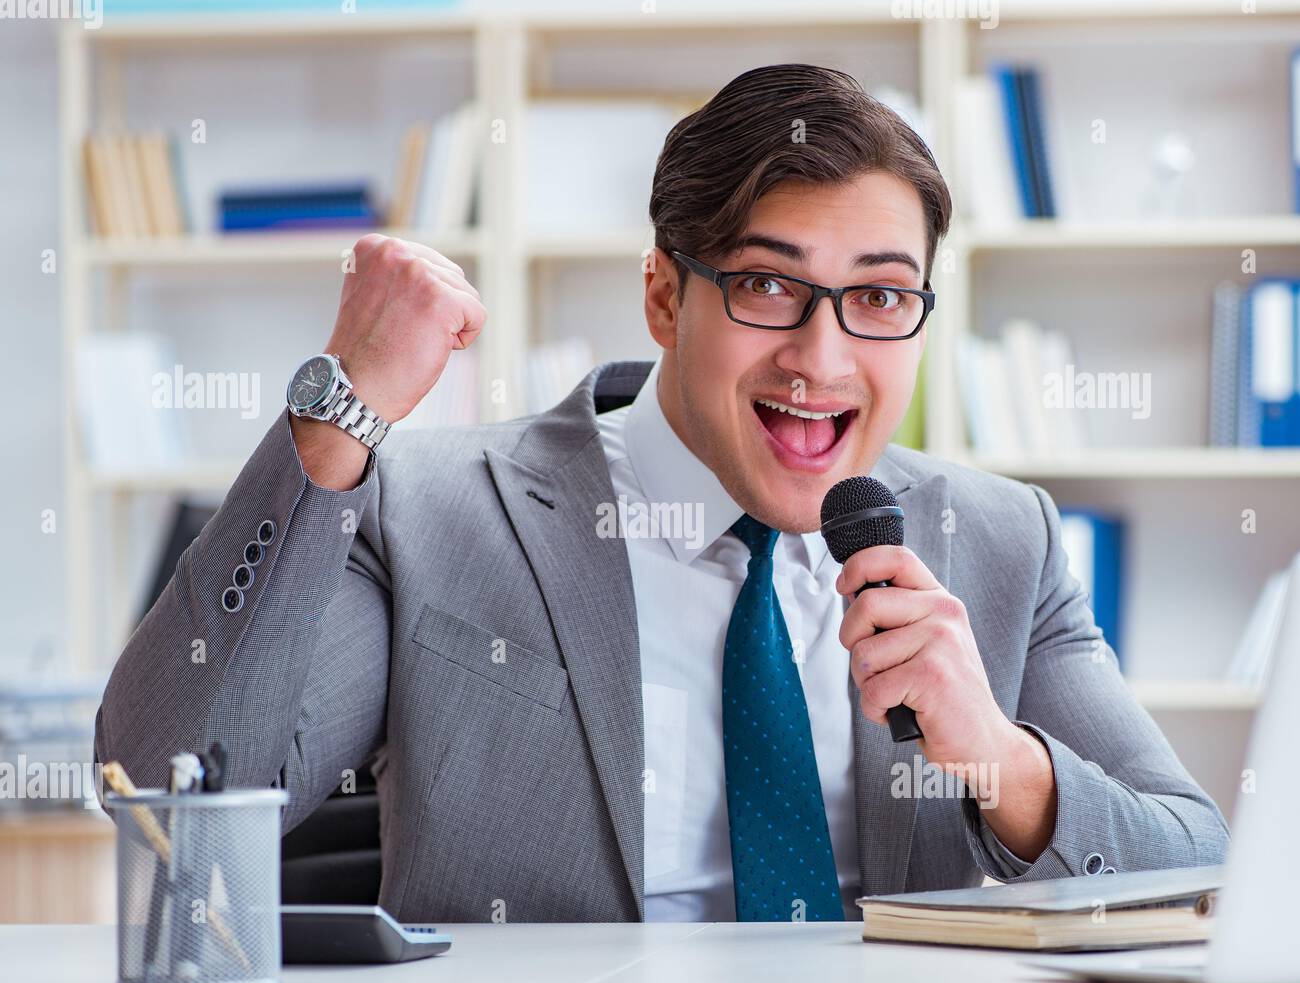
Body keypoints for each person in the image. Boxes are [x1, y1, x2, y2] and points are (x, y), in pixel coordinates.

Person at [96, 64, 1228, 923]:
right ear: (660, 297)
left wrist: (995, 753)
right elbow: (172, 797)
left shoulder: (996, 538)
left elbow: (1190, 869)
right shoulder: (434, 508)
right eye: (767, 286)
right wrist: (336, 410)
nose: (822, 359)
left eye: (879, 299)